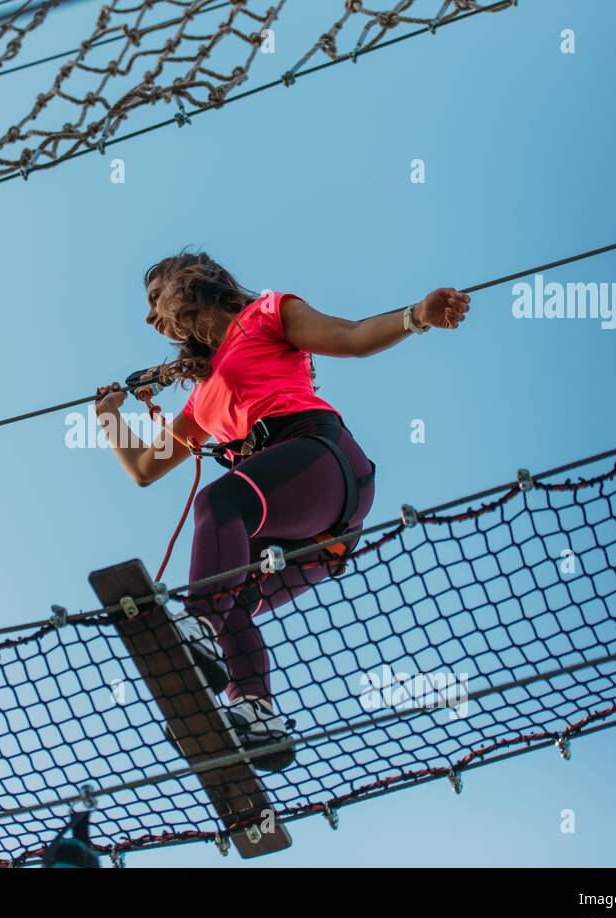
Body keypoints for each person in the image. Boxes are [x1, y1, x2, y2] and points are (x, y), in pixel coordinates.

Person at [95, 251, 469, 772]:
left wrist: (416, 316)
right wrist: (108, 418)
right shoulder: (202, 399)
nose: (148, 316)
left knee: (220, 505)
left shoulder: (268, 315)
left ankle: (197, 633)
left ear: (191, 285)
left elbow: (353, 336)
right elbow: (143, 467)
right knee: (233, 600)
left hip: (322, 458)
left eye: (155, 297)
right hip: (315, 531)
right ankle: (255, 712)